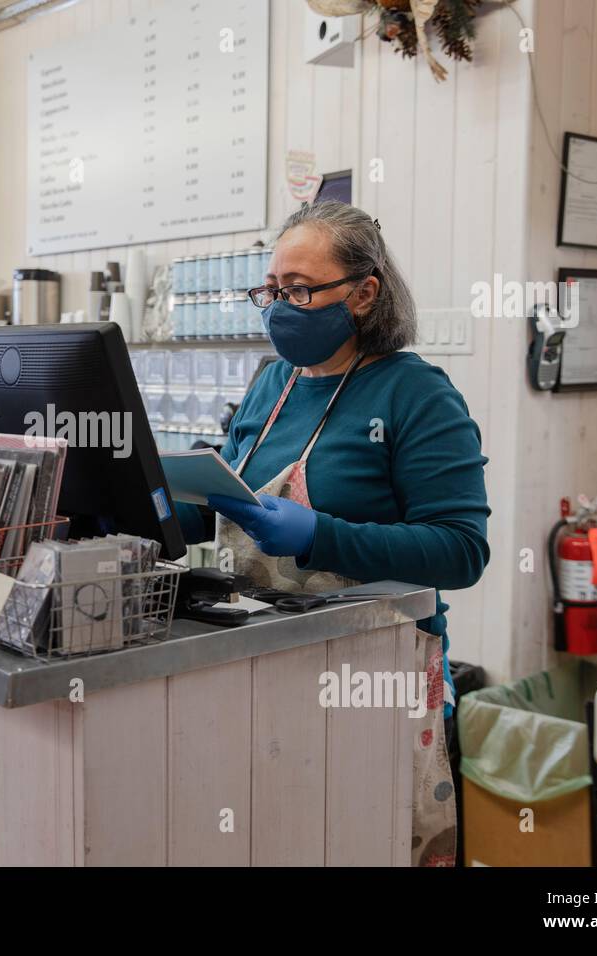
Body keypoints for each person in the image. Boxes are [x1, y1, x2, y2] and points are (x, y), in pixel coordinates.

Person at [184, 200, 490, 867]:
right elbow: (231, 498)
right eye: (270, 291)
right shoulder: (272, 384)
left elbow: (462, 550)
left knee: (364, 839)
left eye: (299, 289)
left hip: (372, 678)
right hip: (266, 663)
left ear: (363, 292)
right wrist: (161, 502)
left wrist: (321, 534)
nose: (279, 306)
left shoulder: (416, 395)